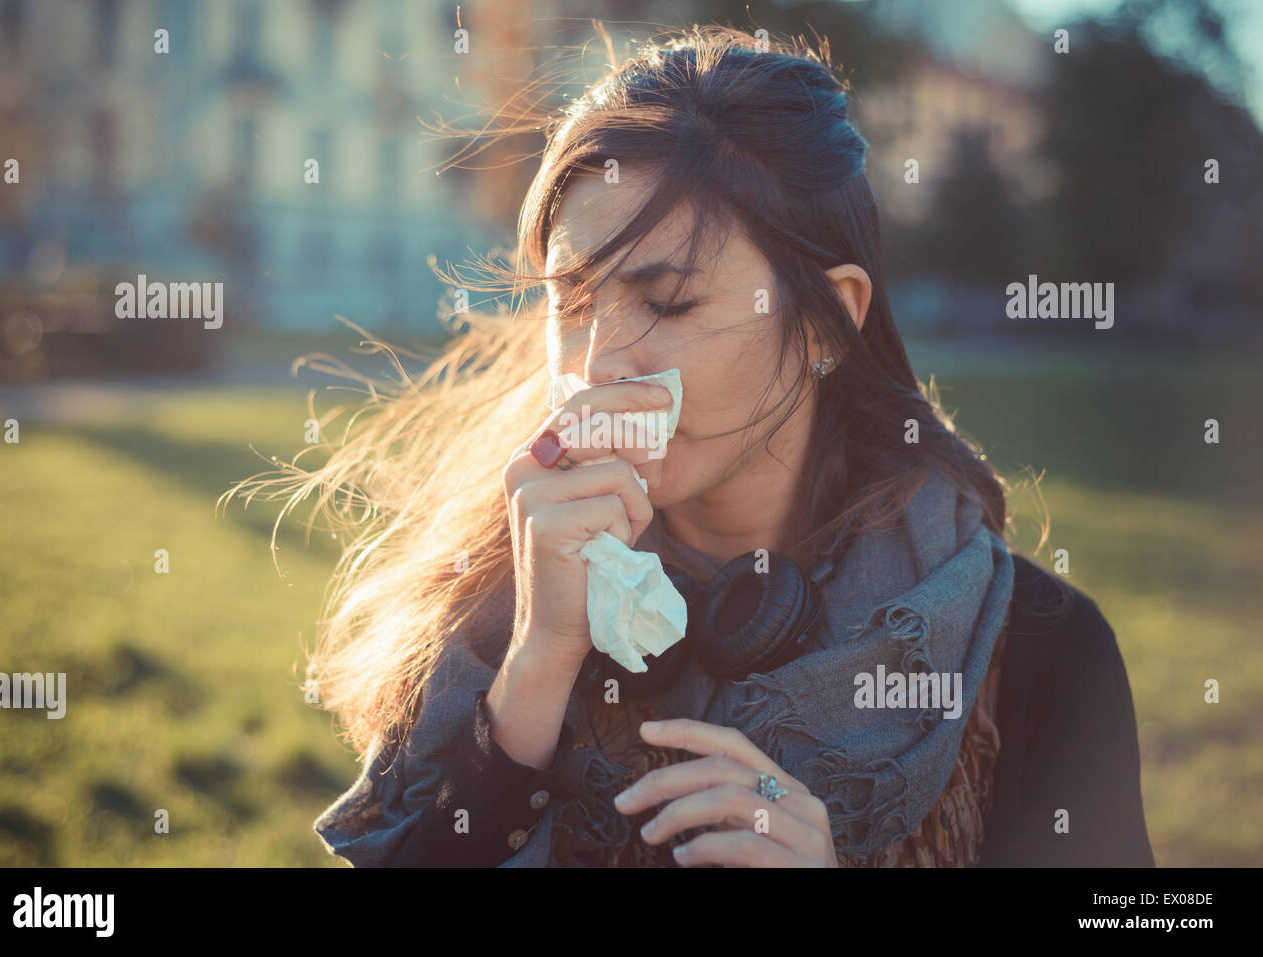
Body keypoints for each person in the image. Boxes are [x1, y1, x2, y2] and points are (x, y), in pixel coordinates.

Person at [233, 26, 1154, 867]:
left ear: (828, 322)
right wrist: (536, 665)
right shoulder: (497, 603)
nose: (598, 365)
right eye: (574, 304)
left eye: (669, 303)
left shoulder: (1037, 653)